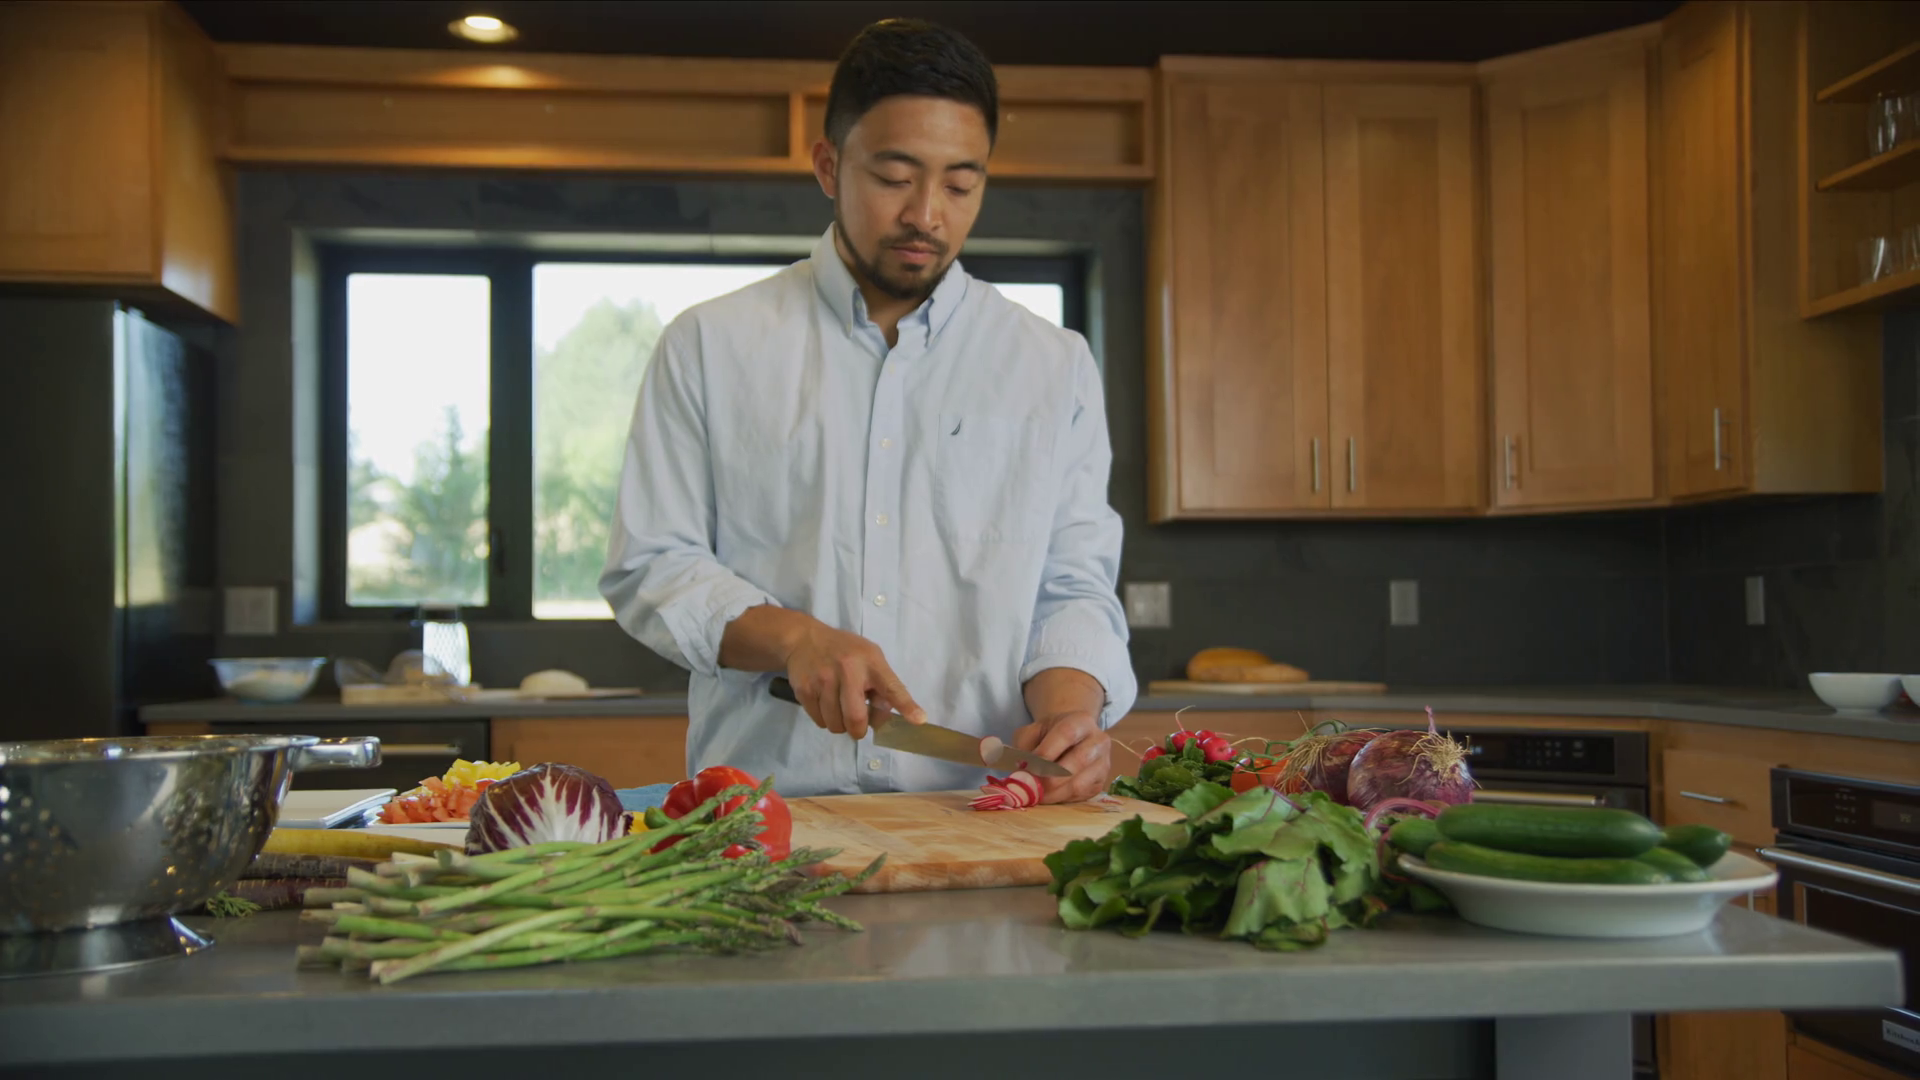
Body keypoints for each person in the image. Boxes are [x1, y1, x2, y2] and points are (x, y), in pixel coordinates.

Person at [599, 18, 1135, 803]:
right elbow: (652, 565)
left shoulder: (1053, 366)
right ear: (828, 165)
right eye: (894, 177)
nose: (928, 214)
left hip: (981, 817)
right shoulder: (711, 344)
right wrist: (794, 639)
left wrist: (1071, 716)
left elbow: (1072, 586)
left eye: (961, 183)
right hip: (763, 816)